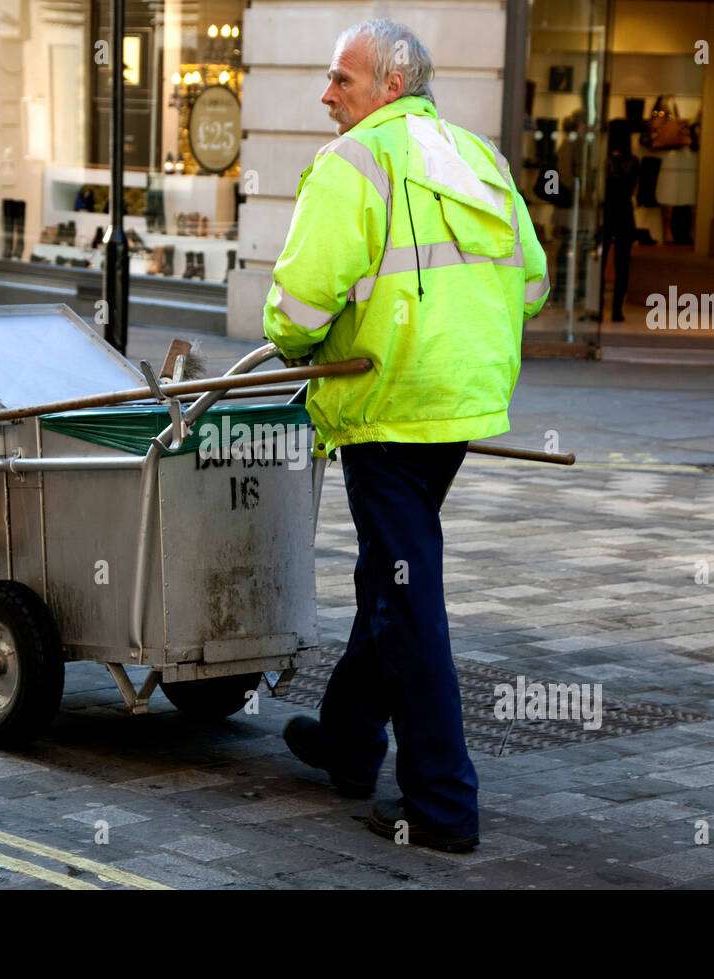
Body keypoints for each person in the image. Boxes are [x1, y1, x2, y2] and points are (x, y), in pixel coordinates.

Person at [263, 17, 550, 852]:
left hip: (386, 407)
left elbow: (296, 313)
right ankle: (350, 739)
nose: (325, 95)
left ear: (390, 87)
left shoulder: (353, 162)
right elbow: (530, 283)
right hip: (459, 405)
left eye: (339, 81)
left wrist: (301, 341)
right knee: (388, 576)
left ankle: (442, 805)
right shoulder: (478, 157)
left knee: (409, 600)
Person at [603, 118, 639, 322]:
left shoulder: (604, 160)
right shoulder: (633, 162)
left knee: (601, 261)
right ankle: (617, 309)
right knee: (622, 265)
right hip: (624, 214)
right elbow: (630, 189)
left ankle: (599, 308)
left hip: (607, 213)